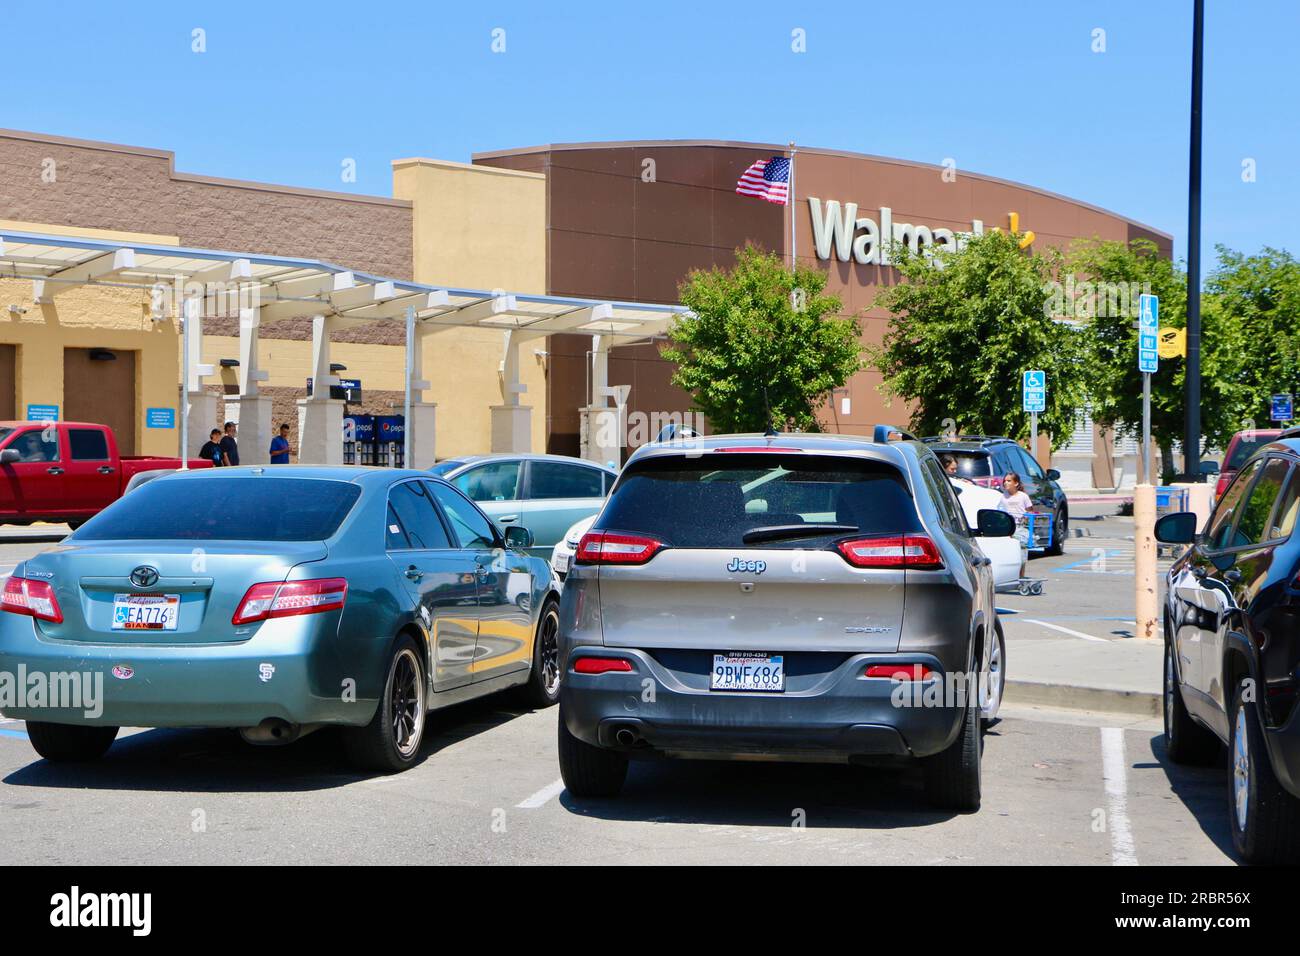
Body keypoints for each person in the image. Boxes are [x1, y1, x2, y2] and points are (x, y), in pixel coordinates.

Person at [997, 471, 1034, 577]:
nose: (1005, 483)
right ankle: (1009, 576)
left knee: (1021, 555)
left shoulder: (1023, 496)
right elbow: (999, 510)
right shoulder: (1003, 496)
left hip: (1020, 527)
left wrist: (1025, 518)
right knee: (1008, 554)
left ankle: (1020, 577)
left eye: (1009, 481)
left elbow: (1030, 511)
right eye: (1005, 481)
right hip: (1007, 528)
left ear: (1016, 483)